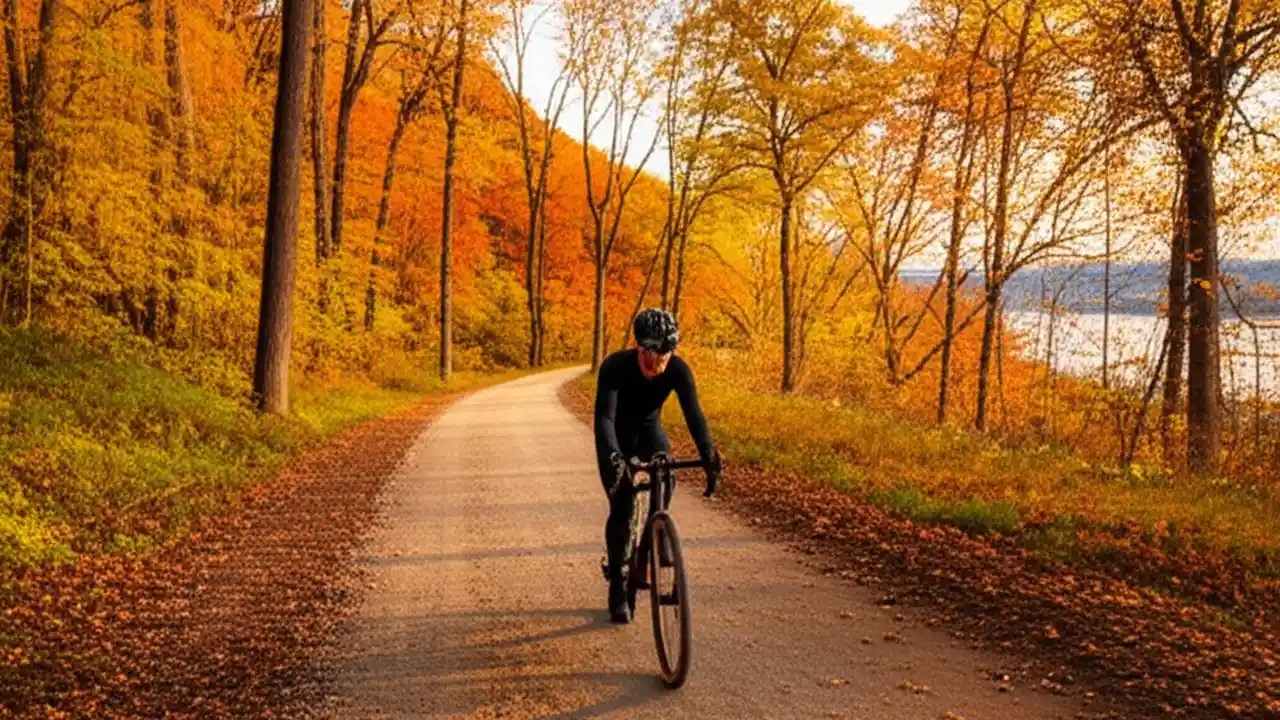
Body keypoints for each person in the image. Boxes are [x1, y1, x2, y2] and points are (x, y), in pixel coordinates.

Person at [594, 307, 721, 624]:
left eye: (666, 356)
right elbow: (605, 418)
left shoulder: (678, 370)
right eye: (654, 357)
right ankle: (617, 587)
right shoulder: (615, 367)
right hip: (616, 437)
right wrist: (613, 457)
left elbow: (694, 414)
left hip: (650, 433)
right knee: (622, 508)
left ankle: (650, 544)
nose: (661, 364)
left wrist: (708, 453)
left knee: (667, 470)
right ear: (640, 347)